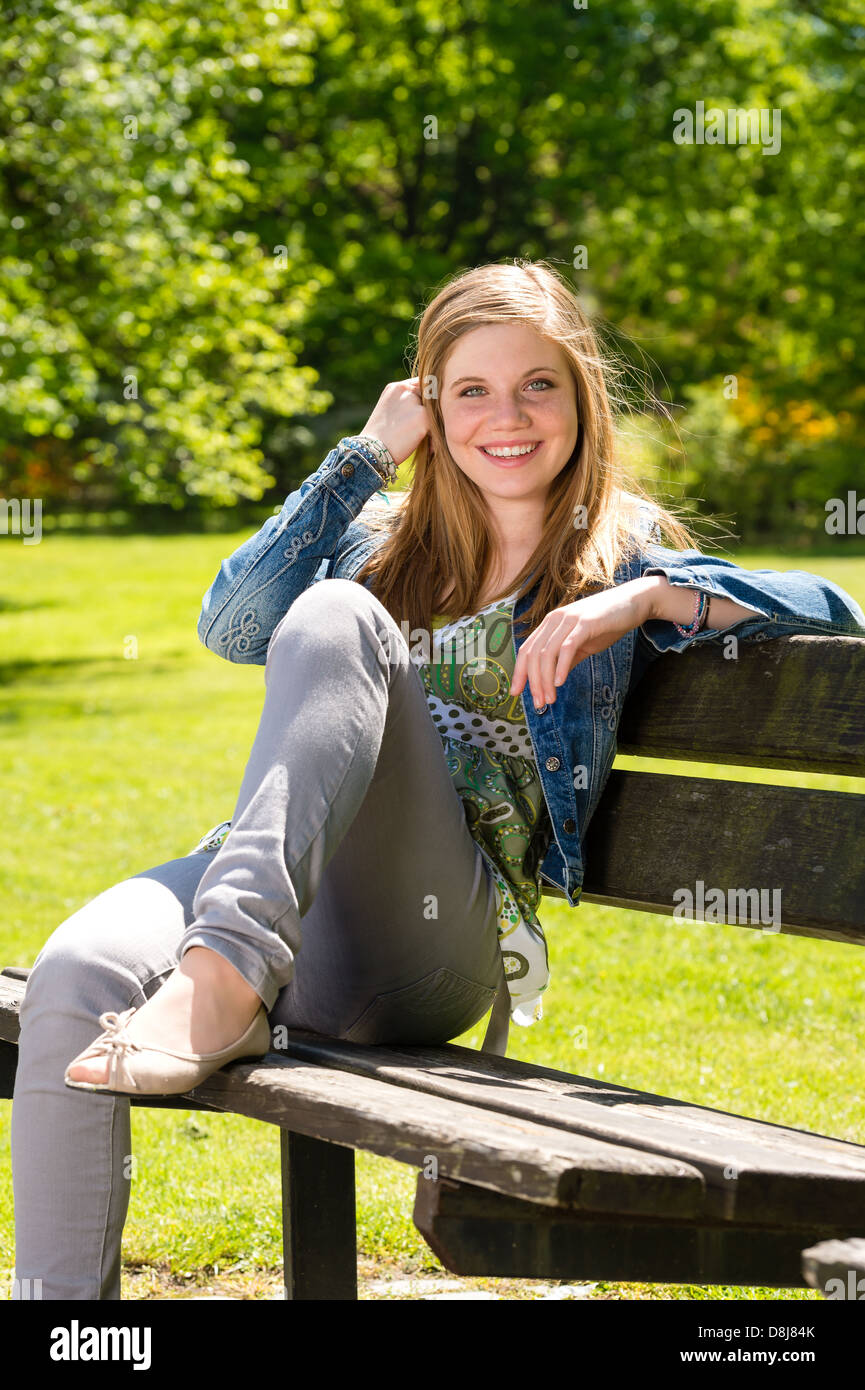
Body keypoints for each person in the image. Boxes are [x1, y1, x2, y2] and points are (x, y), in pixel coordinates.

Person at [12, 260, 865, 1299]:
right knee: (74, 973)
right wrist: (365, 458)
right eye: (470, 390)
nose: (506, 416)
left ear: (581, 398)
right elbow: (231, 626)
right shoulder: (381, 538)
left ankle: (223, 973)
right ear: (430, 405)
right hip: (282, 905)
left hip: (430, 945)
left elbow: (826, 612)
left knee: (334, 619)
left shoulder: (623, 551)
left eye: (537, 385)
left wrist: (638, 600)